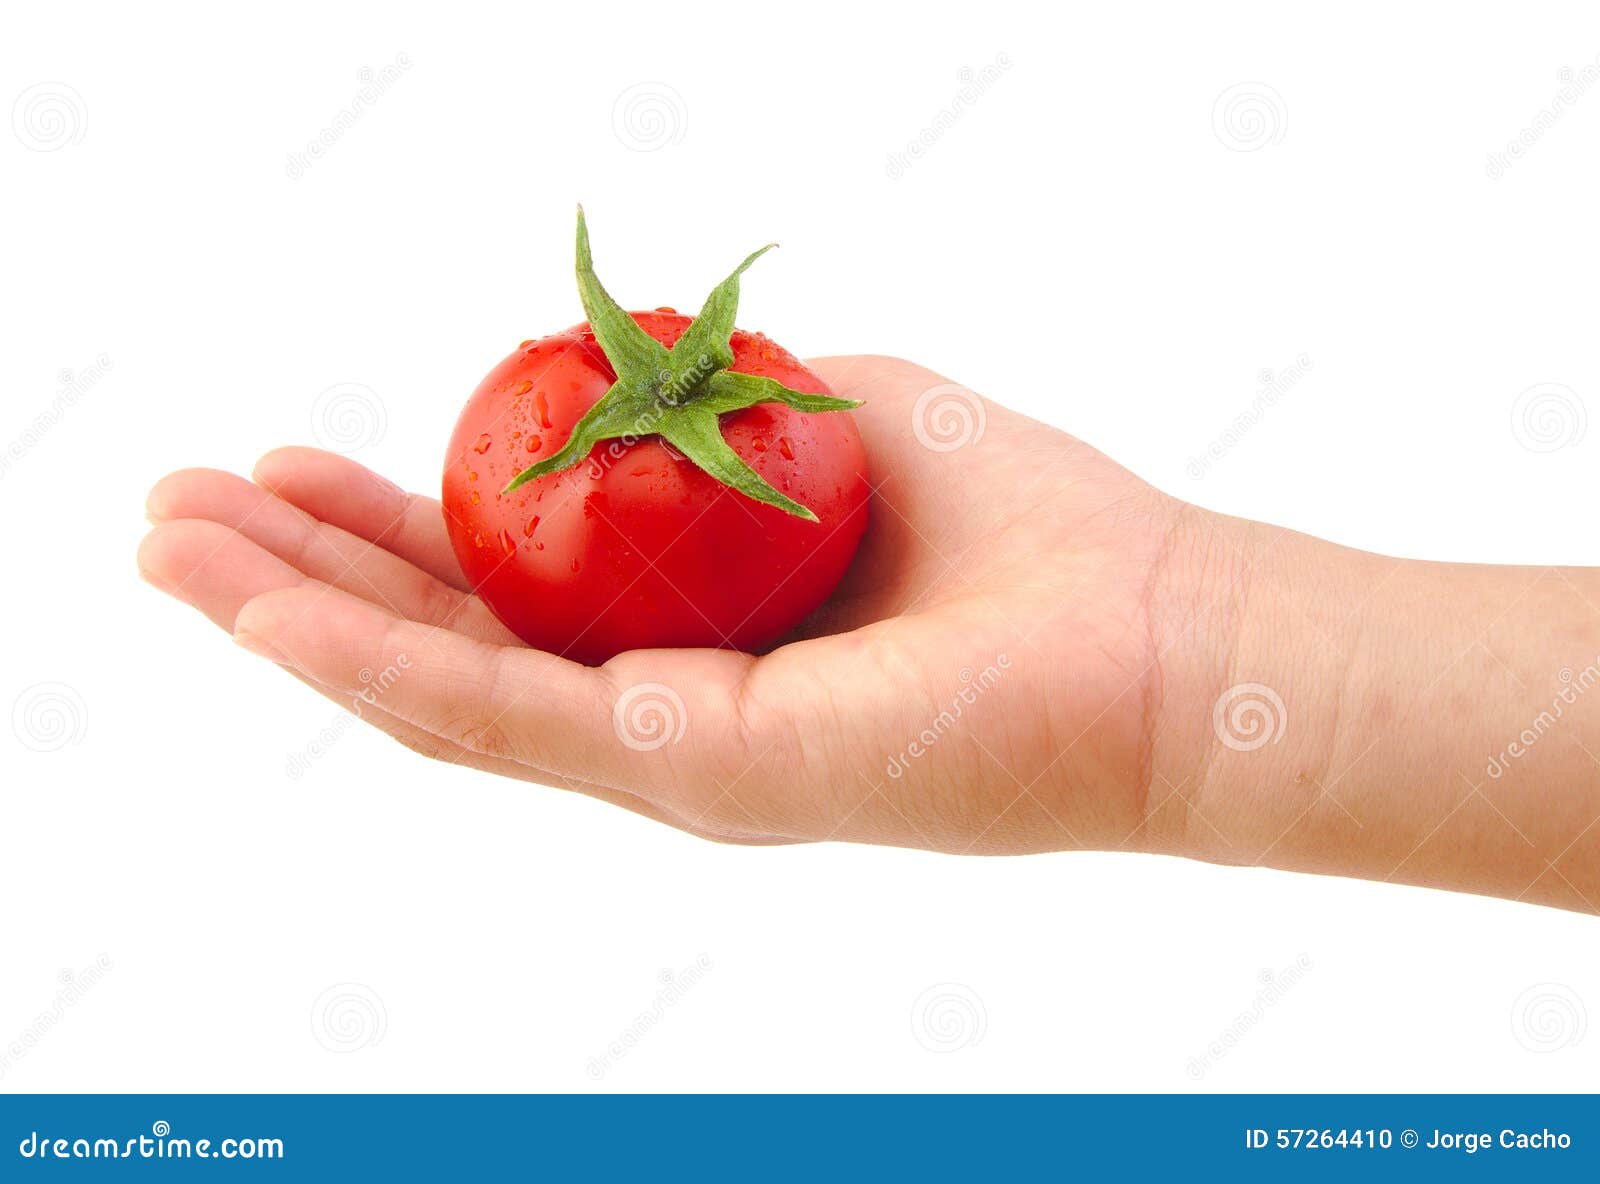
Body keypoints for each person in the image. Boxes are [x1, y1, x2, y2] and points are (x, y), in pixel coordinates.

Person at [137, 356, 1599, 913]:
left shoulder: (625, 417)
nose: (658, 391)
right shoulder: (770, 422)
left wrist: (1184, 662)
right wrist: (1191, 662)